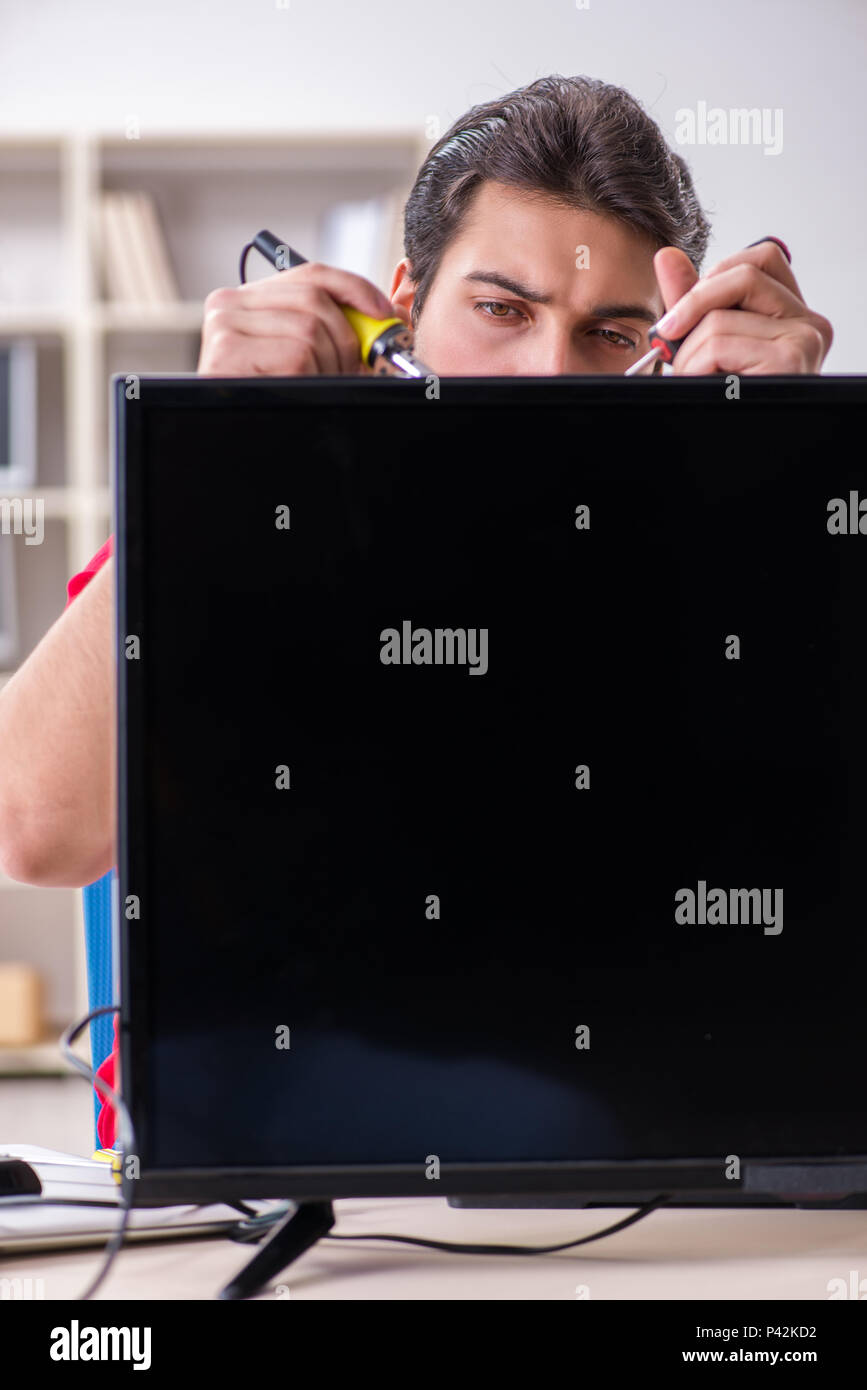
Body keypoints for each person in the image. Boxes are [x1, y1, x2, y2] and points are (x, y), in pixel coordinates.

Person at [0, 75, 833, 1145]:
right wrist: (205, 453)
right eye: (502, 309)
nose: (546, 375)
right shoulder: (242, 512)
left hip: (643, 1158)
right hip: (275, 1174)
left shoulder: (701, 555)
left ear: (669, 348)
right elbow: (33, 830)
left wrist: (793, 471)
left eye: (610, 332)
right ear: (400, 310)